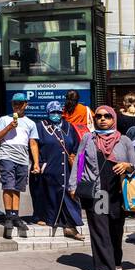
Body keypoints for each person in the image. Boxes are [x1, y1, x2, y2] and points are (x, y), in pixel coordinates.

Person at [70, 106, 135, 270]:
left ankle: (115, 260)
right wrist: (73, 185)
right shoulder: (88, 138)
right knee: (100, 230)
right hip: (97, 191)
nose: (102, 119)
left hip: (117, 191)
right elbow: (79, 162)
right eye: (98, 116)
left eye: (107, 116)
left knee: (115, 228)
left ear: (113, 119)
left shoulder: (124, 140)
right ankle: (105, 269)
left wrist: (126, 166)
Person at [30, 101, 83, 240]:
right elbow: (33, 144)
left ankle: (70, 225)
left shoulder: (69, 127)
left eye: (58, 112)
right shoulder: (40, 126)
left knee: (68, 194)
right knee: (49, 195)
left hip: (67, 168)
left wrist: (75, 159)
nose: (56, 115)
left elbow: (76, 146)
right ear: (48, 113)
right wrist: (38, 163)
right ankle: (49, 218)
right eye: (53, 112)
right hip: (49, 167)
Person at [0, 92, 40, 239]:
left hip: (23, 158)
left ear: (26, 105)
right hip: (7, 155)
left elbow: (33, 143)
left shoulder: (31, 123)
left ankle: (15, 215)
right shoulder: (4, 119)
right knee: (8, 185)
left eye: (20, 103)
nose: (17, 106)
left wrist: (36, 163)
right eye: (15, 103)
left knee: (18, 188)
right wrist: (8, 128)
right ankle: (8, 216)